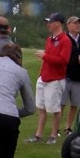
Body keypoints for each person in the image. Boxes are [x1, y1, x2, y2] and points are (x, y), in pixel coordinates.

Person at [25, 13, 72, 145]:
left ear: (58, 23)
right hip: (44, 77)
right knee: (41, 107)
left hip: (55, 79)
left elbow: (63, 60)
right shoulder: (49, 39)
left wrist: (45, 56)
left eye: (50, 22)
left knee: (54, 108)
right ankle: (38, 134)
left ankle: (53, 135)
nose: (48, 25)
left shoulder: (65, 40)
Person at [61, 16, 80, 135]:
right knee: (61, 103)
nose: (78, 25)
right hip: (65, 76)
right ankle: (56, 127)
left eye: (79, 23)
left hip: (79, 76)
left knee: (75, 104)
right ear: (68, 25)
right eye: (75, 23)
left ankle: (68, 127)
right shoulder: (64, 39)